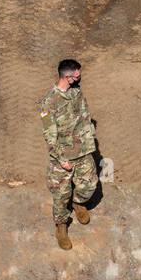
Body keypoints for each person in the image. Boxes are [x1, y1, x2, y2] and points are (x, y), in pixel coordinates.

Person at [38, 58, 99, 250]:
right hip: (62, 157)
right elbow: (49, 137)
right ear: (67, 76)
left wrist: (89, 141)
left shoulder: (76, 92)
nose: (79, 77)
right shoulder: (48, 103)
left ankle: (79, 203)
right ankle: (61, 226)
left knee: (90, 184)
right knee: (61, 196)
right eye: (77, 75)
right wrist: (62, 160)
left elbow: (84, 114)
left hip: (82, 150)